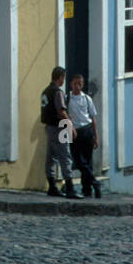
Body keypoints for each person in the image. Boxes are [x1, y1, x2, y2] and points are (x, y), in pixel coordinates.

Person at [41, 66, 78, 199]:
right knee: (65, 156)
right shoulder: (58, 92)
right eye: (63, 77)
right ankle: (70, 188)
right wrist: (71, 127)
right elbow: (61, 111)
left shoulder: (45, 91)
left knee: (50, 157)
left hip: (49, 128)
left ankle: (52, 186)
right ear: (60, 77)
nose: (64, 81)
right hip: (59, 127)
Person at [67, 74, 101, 199]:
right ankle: (95, 182)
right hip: (74, 132)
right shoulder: (67, 98)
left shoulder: (87, 99)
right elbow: (64, 116)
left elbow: (93, 119)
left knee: (88, 161)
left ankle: (87, 189)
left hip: (87, 131)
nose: (77, 86)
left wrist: (96, 137)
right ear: (71, 84)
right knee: (78, 161)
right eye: (75, 83)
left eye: (80, 83)